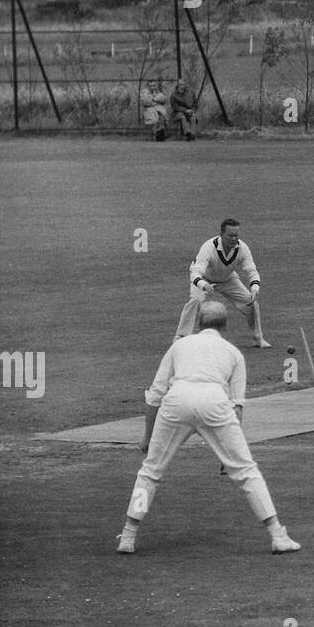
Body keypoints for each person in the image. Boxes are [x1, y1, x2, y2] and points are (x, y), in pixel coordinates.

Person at [116, 301, 300, 554]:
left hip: (177, 401)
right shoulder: (233, 353)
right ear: (224, 325)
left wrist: (147, 438)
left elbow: (155, 395)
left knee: (150, 471)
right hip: (215, 403)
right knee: (247, 471)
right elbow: (237, 406)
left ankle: (128, 536)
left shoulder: (179, 345)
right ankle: (278, 535)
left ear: (198, 322)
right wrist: (230, 453)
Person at [174, 219, 271, 347]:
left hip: (227, 278)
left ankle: (258, 338)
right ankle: (181, 337)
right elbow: (196, 272)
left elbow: (251, 270)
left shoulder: (242, 248)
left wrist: (254, 288)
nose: (234, 239)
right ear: (221, 234)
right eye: (230, 235)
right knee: (196, 300)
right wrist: (203, 284)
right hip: (204, 279)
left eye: (236, 235)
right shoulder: (209, 247)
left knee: (250, 302)